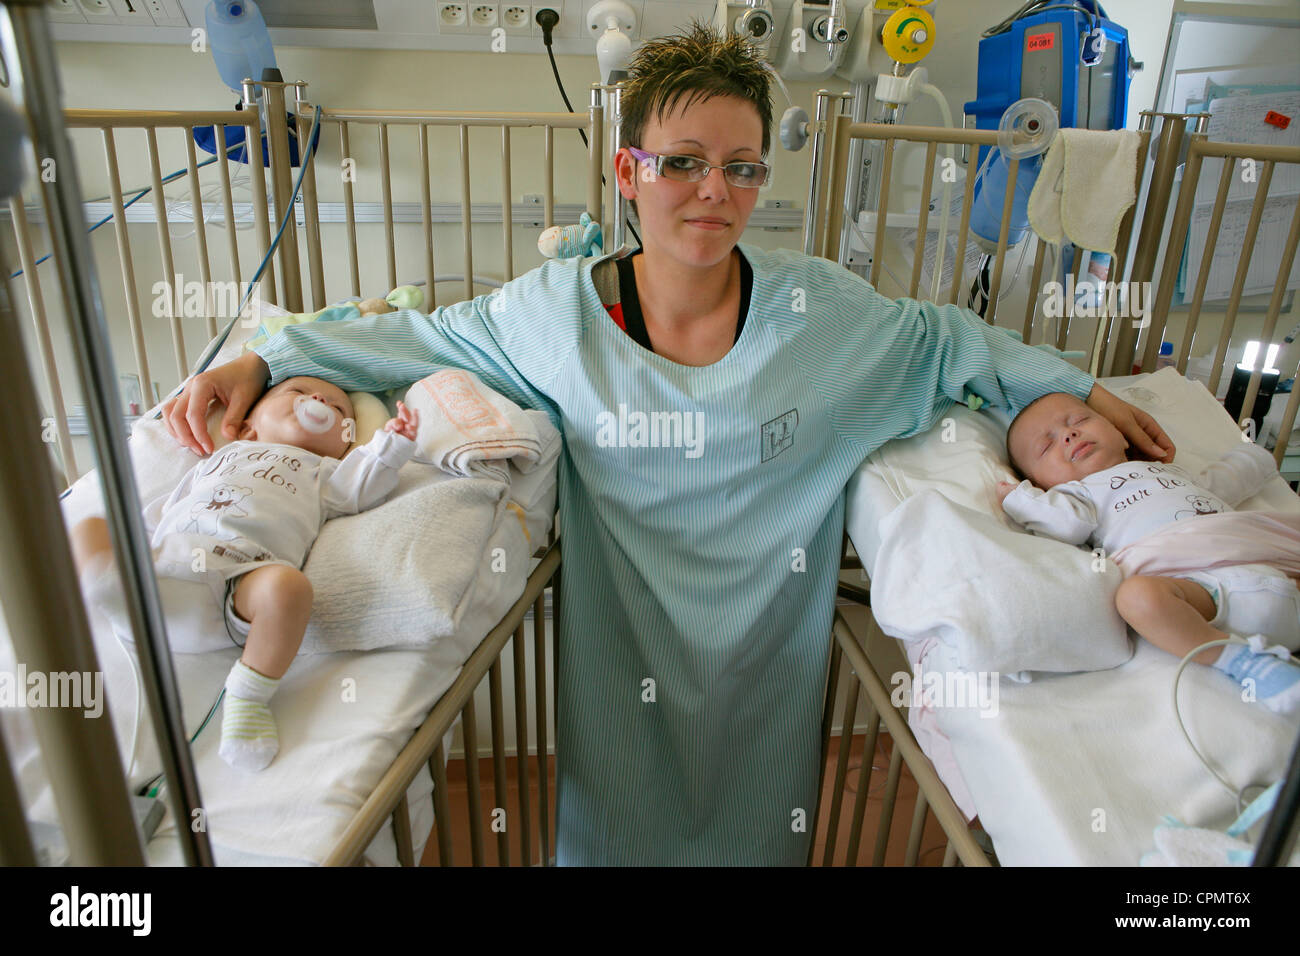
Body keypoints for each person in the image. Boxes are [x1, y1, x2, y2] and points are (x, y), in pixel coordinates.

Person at [160, 25, 1173, 862]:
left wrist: (1075, 386)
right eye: (680, 163)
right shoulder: (552, 318)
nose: (710, 191)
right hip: (623, 652)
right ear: (627, 171)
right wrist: (267, 354)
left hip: (763, 665)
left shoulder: (822, 318)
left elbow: (951, 339)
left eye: (738, 167)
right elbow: (414, 336)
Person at [73, 376, 419, 771]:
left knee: (288, 588)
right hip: (156, 575)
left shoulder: (325, 473)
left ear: (345, 445)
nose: (320, 400)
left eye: (341, 411)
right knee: (91, 528)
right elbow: (163, 513)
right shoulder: (223, 456)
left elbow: (365, 484)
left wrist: (393, 444)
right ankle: (103, 586)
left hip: (233, 587)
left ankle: (247, 697)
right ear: (249, 426)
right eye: (298, 393)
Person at [998, 391, 1300, 714]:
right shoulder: (1079, 496)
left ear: (1121, 435)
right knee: (1136, 598)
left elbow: (1221, 482)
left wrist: (1253, 456)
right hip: (1206, 590)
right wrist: (1020, 498)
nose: (1069, 435)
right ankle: (1242, 662)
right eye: (1047, 446)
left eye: (1080, 421)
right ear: (1042, 484)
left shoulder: (1174, 473)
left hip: (1269, 560)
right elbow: (1064, 523)